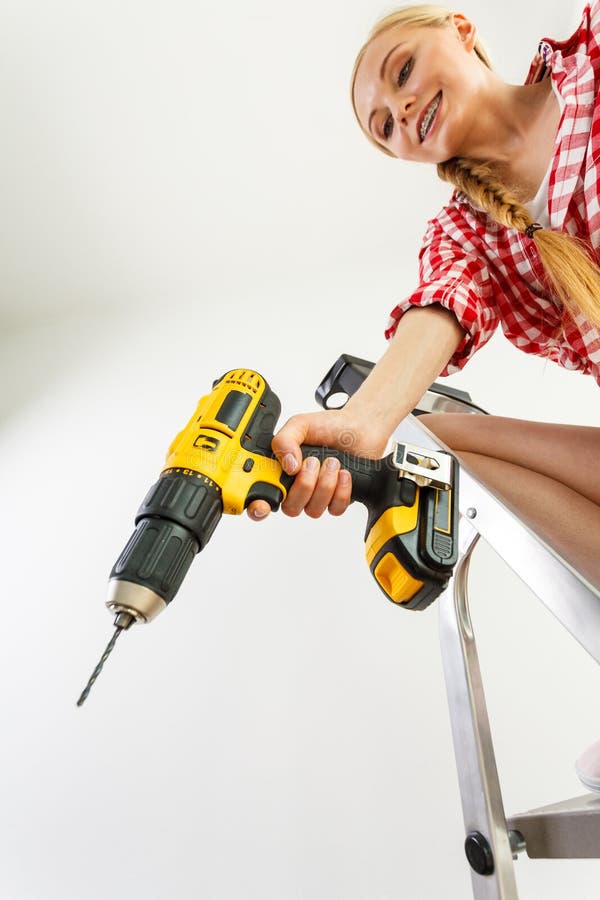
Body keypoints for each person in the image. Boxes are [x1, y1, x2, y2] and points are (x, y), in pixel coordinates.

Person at [247, 4, 600, 790]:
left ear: (462, 28)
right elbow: (437, 308)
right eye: (383, 127)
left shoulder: (592, 61)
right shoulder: (469, 237)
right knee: (442, 446)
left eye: (402, 72)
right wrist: (362, 424)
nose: (402, 112)